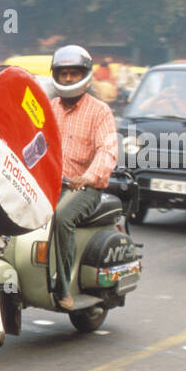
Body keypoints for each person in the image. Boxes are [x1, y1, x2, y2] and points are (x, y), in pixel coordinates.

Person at [46, 44, 119, 309]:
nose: (67, 79)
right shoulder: (49, 107)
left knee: (62, 216)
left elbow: (107, 150)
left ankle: (63, 287)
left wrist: (88, 177)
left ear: (85, 76)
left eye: (74, 74)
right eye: (63, 73)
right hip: (51, 182)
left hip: (84, 187)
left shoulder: (99, 111)